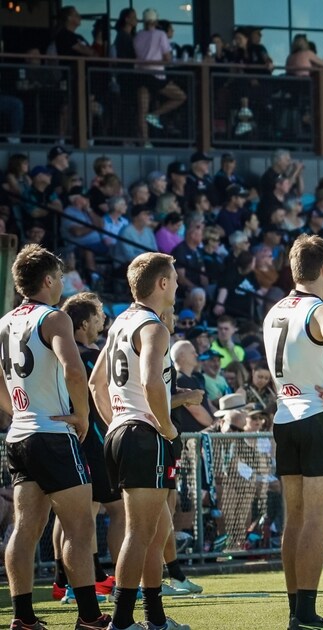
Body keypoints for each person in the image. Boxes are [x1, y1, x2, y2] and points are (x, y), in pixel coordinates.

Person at [1, 246, 111, 630]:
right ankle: (89, 616)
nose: (63, 284)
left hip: (19, 436)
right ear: (48, 280)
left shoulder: (4, 321)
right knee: (80, 529)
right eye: (61, 277)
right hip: (53, 432)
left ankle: (24, 618)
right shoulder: (55, 318)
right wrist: (82, 416)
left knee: (25, 528)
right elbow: (74, 370)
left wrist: (18, 412)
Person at [262, 235, 323, 630]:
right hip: (320, 416)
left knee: (295, 521)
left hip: (286, 417)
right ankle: (305, 613)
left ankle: (294, 611)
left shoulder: (274, 311)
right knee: (317, 521)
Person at [89, 252, 186, 630]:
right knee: (141, 532)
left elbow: (98, 382)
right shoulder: (151, 326)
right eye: (174, 278)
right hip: (143, 434)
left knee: (157, 531)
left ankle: (155, 619)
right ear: (162, 283)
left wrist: (116, 421)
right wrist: (167, 428)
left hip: (123, 431)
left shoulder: (121, 322)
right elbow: (149, 382)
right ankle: (124, 620)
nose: (177, 284)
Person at [54, 292, 123, 607]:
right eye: (98, 316)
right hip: (93, 439)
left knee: (70, 514)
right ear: (83, 323)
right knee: (115, 510)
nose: (103, 320)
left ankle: (66, 580)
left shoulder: (60, 351)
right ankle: (112, 579)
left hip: (65, 438)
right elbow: (101, 391)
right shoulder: (87, 356)